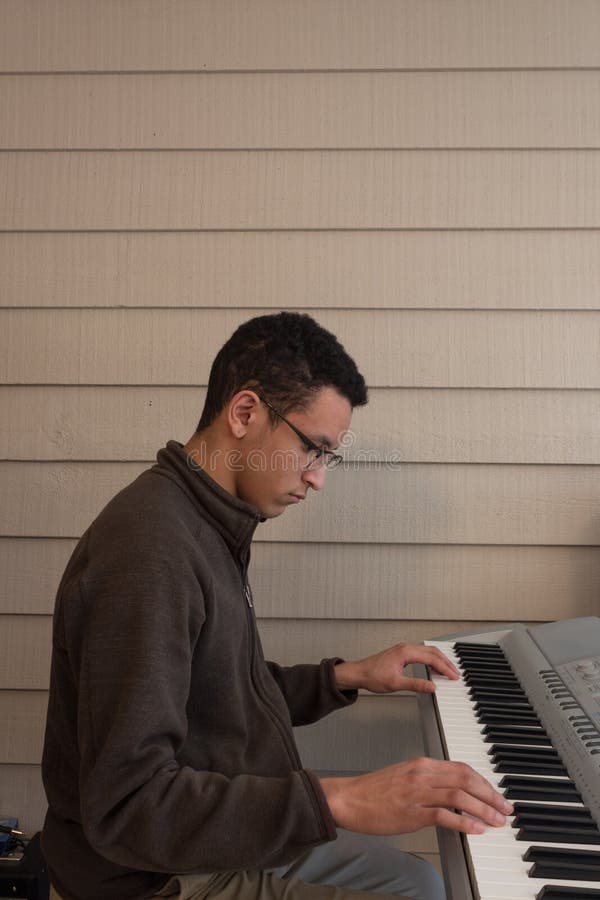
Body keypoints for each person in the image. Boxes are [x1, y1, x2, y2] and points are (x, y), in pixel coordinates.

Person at [42, 312, 512, 900]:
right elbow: (128, 806)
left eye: (328, 458)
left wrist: (346, 677)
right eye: (313, 450)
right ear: (245, 414)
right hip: (149, 876)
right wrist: (338, 798)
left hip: (205, 838)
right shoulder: (151, 552)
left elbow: (214, 690)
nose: (317, 479)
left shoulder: (206, 521)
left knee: (418, 878)